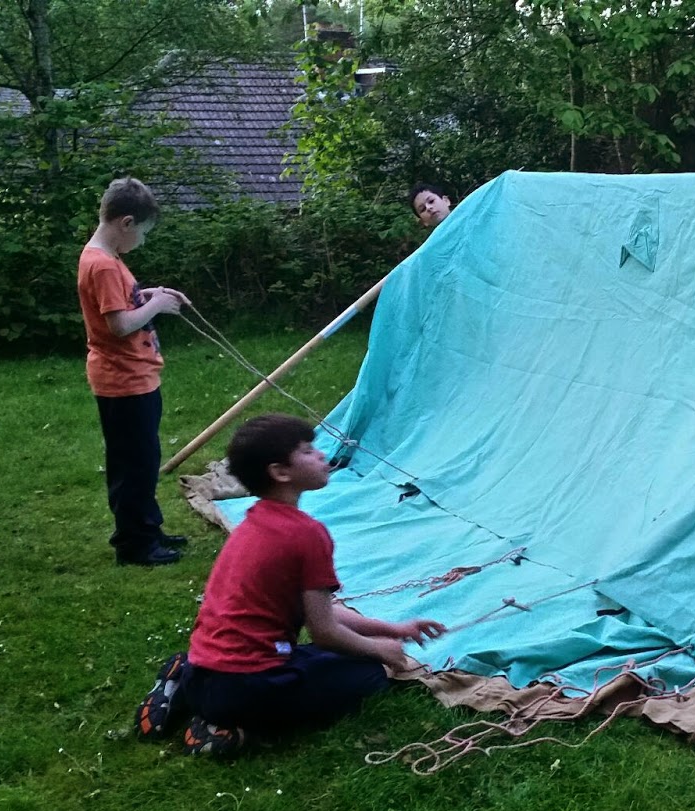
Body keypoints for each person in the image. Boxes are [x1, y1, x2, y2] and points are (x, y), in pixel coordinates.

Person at [133, 414, 448, 757]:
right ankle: (218, 724)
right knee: (367, 674)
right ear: (281, 472)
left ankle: (182, 684)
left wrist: (393, 629)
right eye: (309, 451)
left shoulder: (252, 524)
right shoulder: (307, 535)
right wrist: (380, 650)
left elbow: (323, 611)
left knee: (320, 656)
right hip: (246, 687)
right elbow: (324, 630)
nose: (321, 456)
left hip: (204, 667)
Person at [78, 177, 191, 566]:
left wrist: (151, 294)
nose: (141, 241)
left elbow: (120, 307)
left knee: (141, 461)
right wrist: (156, 305)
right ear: (125, 223)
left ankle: (147, 529)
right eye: (142, 233)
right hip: (123, 380)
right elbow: (120, 326)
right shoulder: (104, 265)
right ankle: (134, 544)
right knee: (134, 466)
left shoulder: (104, 260)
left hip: (134, 377)